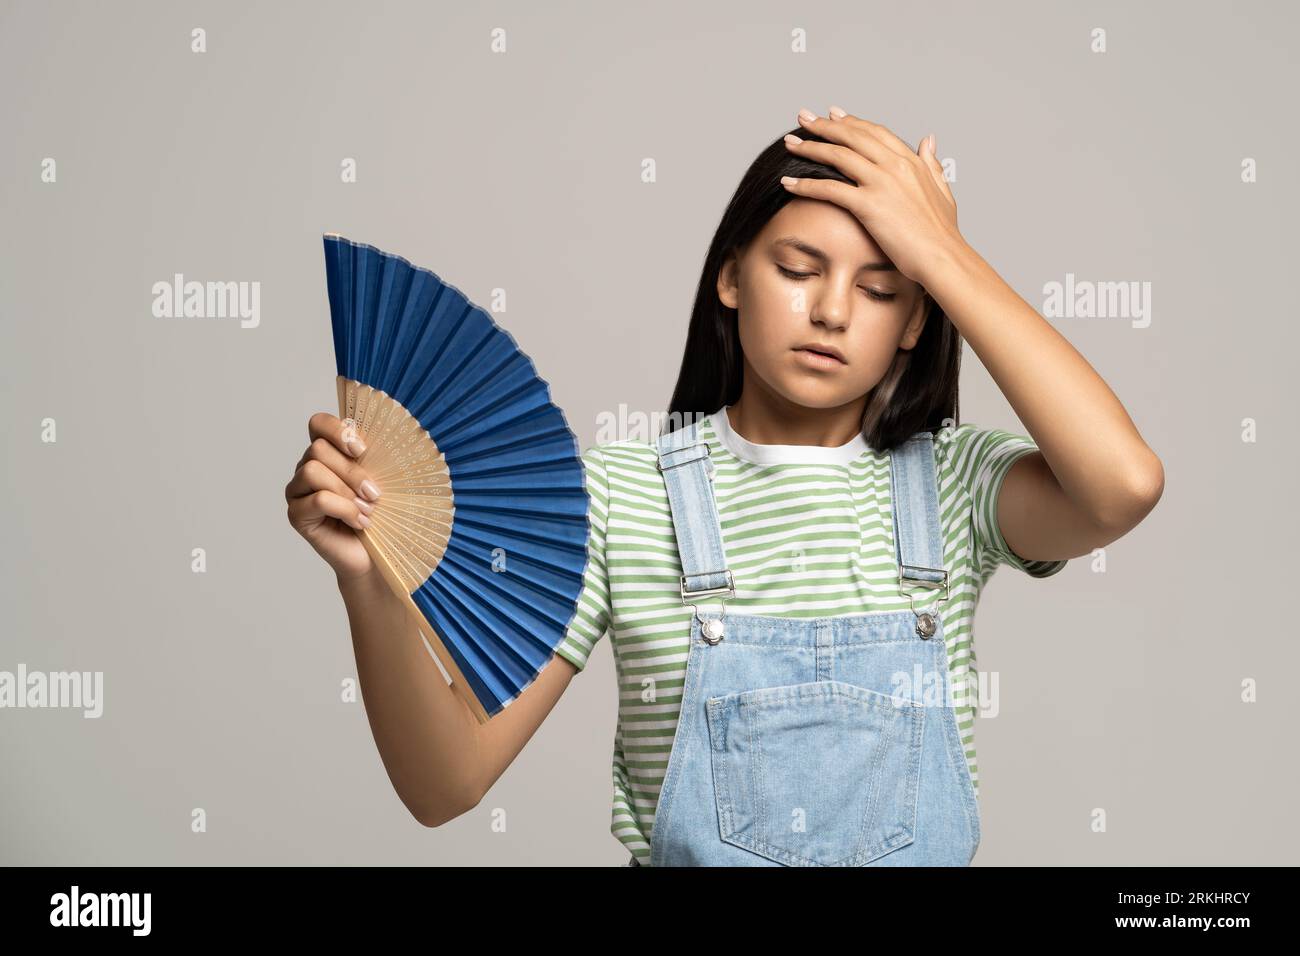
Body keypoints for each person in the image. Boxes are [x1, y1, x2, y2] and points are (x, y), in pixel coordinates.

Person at [285, 106, 1164, 866]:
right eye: (797, 269)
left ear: (916, 319)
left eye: (883, 286)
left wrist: (944, 251)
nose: (831, 311)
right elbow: (447, 782)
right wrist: (368, 585)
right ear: (731, 275)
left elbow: (1121, 486)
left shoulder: (955, 483)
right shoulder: (620, 499)